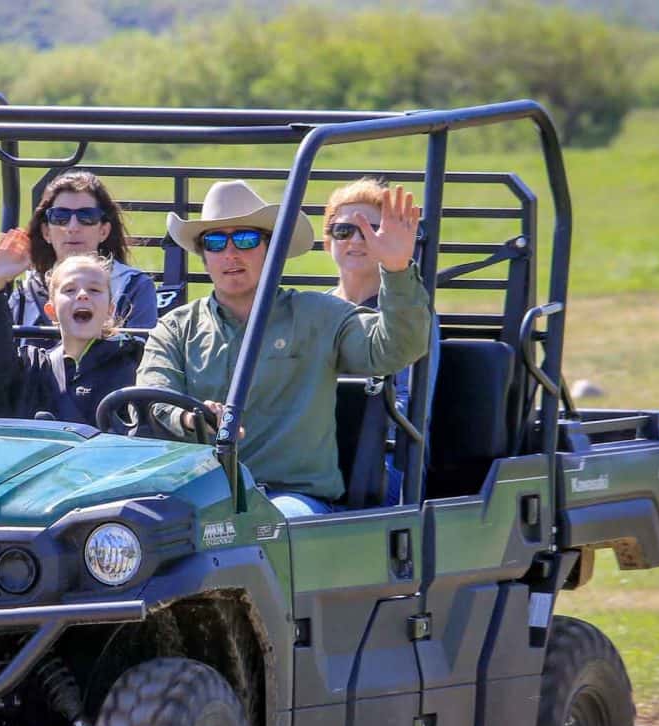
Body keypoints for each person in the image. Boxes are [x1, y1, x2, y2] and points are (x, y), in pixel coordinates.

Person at [136, 179, 430, 517]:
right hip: (200, 495)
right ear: (204, 256)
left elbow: (395, 350)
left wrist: (395, 270)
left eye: (245, 239)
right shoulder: (176, 327)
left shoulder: (320, 315)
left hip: (291, 499)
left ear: (271, 249)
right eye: (215, 242)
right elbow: (151, 397)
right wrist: (188, 418)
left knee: (271, 528)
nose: (230, 253)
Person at [323, 177, 441, 503]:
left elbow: (407, 407)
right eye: (343, 231)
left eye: (371, 231)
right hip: (311, 450)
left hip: (385, 459)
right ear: (327, 241)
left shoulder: (410, 317)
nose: (356, 240)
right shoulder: (313, 310)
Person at [0, 242, 144, 425]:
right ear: (51, 311)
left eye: (94, 290)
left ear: (110, 310)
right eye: (69, 290)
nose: (82, 295)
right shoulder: (32, 368)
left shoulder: (133, 361)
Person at [0, 171, 158, 332]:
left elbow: (139, 360)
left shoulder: (133, 287)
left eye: (86, 217)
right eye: (60, 217)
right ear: (46, 232)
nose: (72, 227)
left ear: (104, 231)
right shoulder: (25, 291)